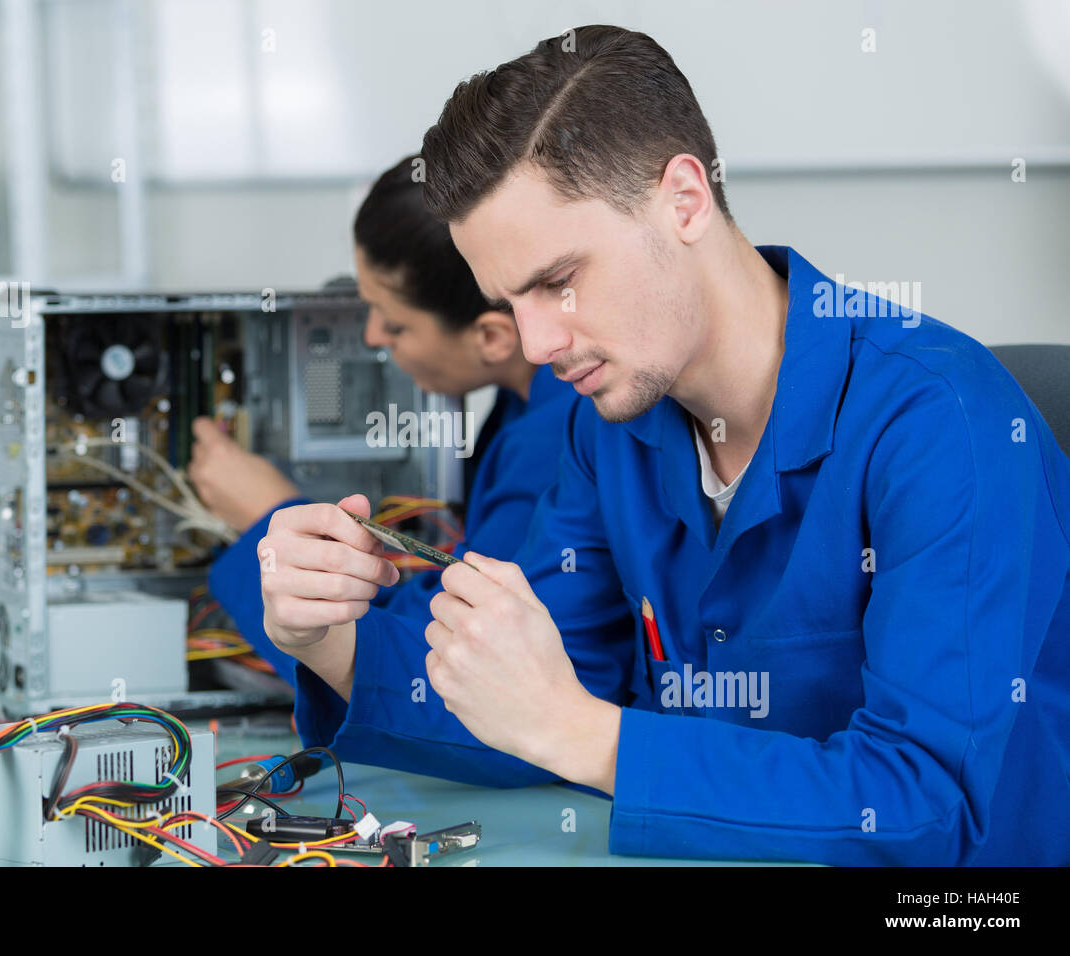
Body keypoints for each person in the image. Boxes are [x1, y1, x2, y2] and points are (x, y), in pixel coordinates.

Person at [252, 26, 1070, 865]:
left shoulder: (943, 424)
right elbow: (534, 698)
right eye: (508, 298)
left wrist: (584, 734)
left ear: (684, 198)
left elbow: (925, 804)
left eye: (558, 282)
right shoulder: (606, 426)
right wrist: (327, 637)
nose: (533, 343)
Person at [191, 155, 575, 684]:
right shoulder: (529, 397)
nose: (371, 337)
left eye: (393, 324)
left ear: (492, 338)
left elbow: (453, 653)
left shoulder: (555, 441)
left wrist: (267, 518)